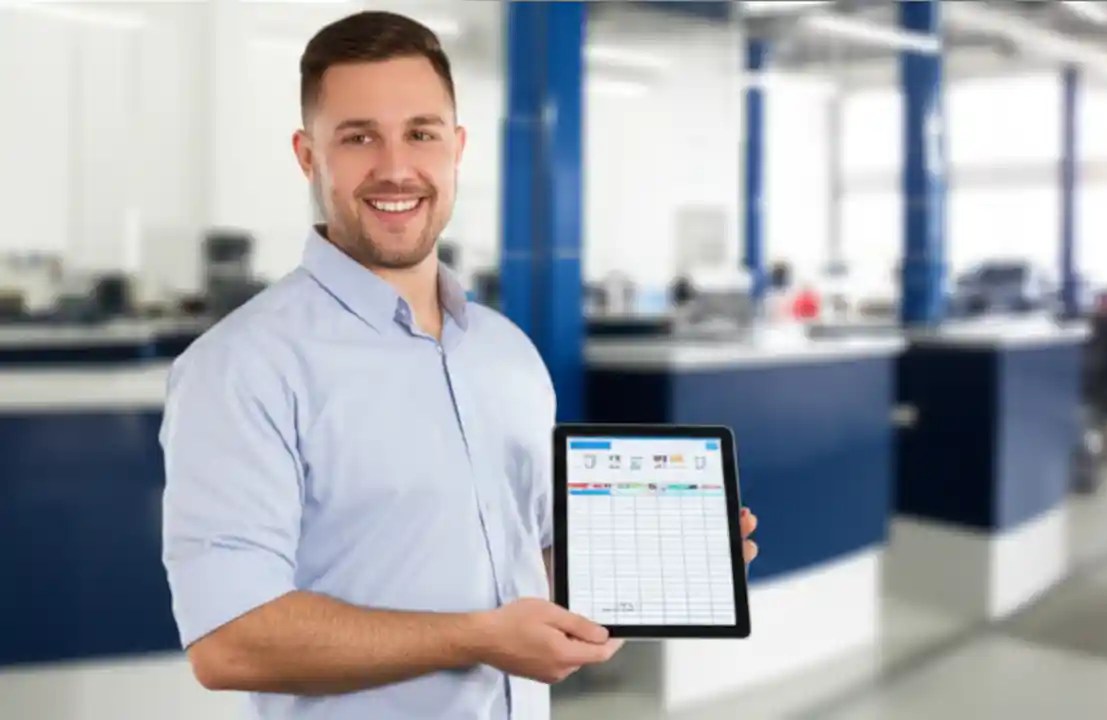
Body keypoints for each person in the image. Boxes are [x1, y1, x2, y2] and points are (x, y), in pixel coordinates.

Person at [158, 10, 759, 720]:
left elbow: (521, 570)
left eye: (421, 133)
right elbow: (230, 642)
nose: (395, 167)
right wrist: (479, 640)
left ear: (457, 147)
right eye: (358, 138)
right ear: (307, 155)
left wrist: (648, 569)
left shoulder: (506, 355)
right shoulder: (242, 368)